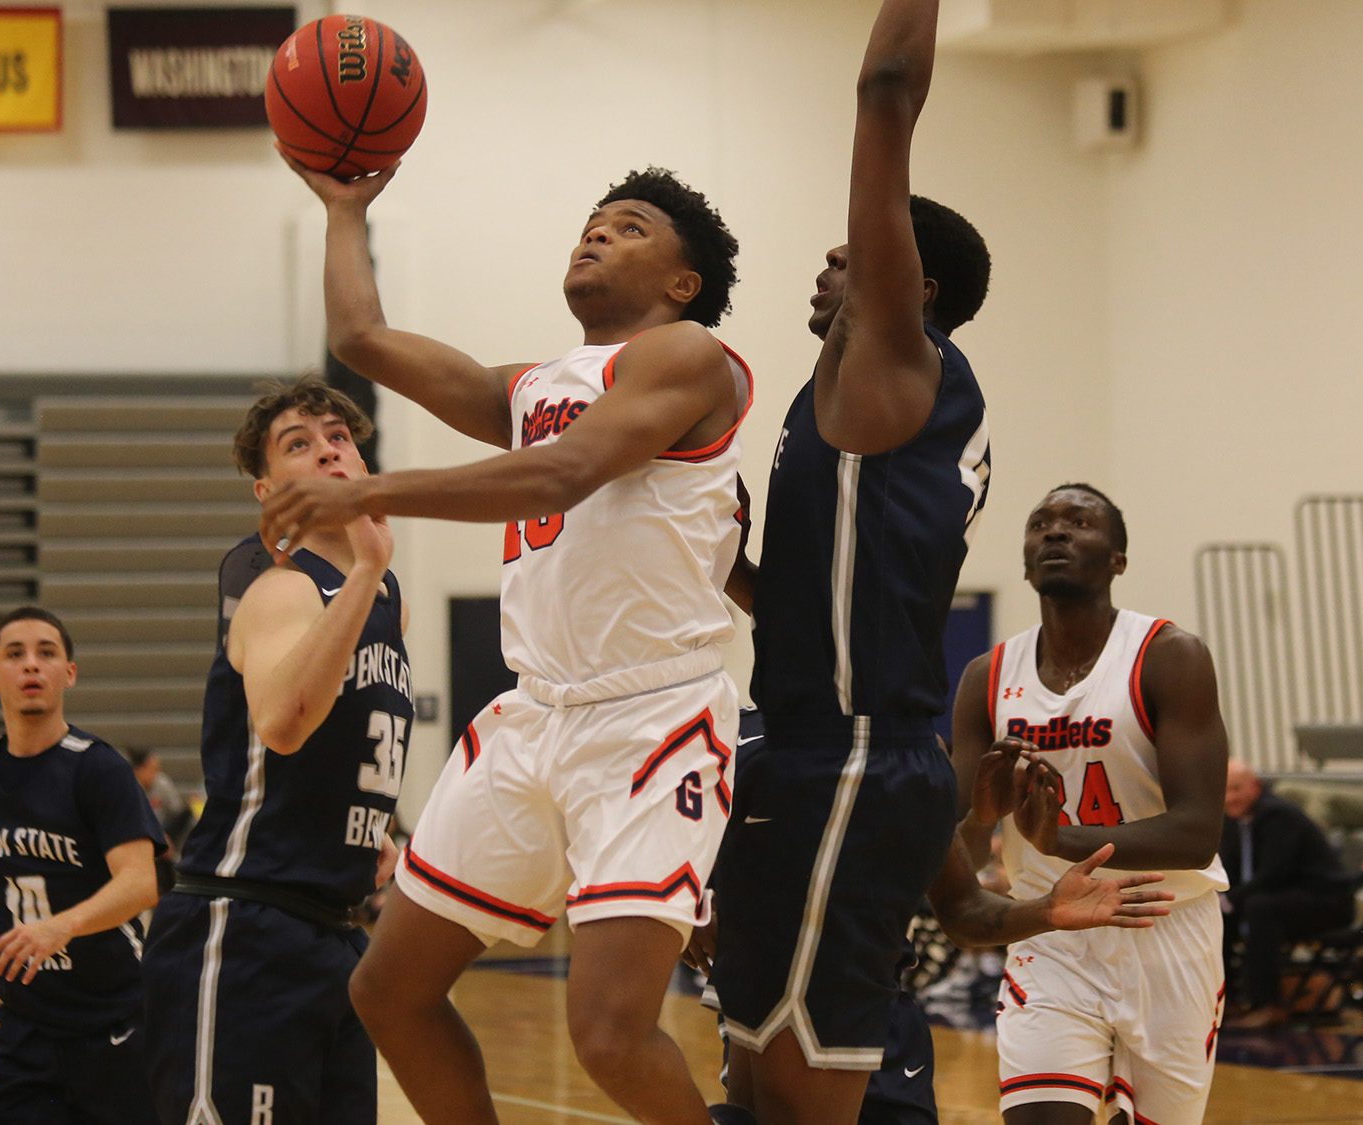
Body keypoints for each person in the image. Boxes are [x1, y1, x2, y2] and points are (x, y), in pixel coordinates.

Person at [265, 143, 750, 1122]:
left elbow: (559, 475)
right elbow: (361, 336)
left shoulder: (686, 356)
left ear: (680, 282)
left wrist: (370, 489)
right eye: (592, 218)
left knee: (608, 1035)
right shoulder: (533, 386)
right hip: (533, 715)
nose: (597, 230)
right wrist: (344, 211)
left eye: (630, 226)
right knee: (386, 991)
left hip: (650, 718)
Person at [705, 3, 998, 1123]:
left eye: (852, 257)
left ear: (907, 283)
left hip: (854, 758)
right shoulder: (840, 406)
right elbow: (800, 606)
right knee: (754, 1081)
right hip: (807, 743)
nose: (827, 269)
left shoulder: (899, 357)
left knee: (796, 1091)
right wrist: (724, 559)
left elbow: (884, 93)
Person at [693, 712, 1180, 1125]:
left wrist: (1046, 910)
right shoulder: (735, 732)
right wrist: (685, 904)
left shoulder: (913, 747)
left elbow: (961, 907)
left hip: (881, 1020)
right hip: (769, 1021)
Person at [142, 382, 409, 1125]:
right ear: (269, 494)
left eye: (338, 435)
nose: (328, 446)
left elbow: (338, 743)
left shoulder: (387, 601)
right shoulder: (281, 590)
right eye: (299, 442)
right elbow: (286, 723)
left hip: (333, 935)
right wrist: (361, 570)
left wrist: (367, 826)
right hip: (243, 927)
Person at [948, 485, 1228, 1124]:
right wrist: (983, 820)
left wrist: (1059, 841)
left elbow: (1196, 834)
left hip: (1167, 925)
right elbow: (956, 853)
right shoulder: (984, 678)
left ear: (1118, 559)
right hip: (1052, 931)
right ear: (1024, 562)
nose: (1055, 533)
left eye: (1078, 522)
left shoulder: (1168, 656)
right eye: (1040, 524)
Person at [0, 607, 166, 1125]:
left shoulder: (99, 768)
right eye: (15, 654)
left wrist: (58, 928)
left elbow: (142, 882)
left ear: (69, 673)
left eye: (47, 653)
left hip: (115, 1020)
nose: (31, 666)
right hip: (27, 1026)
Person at [1217, 761, 1354, 1031]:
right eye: (1224, 790)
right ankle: (1228, 999)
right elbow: (1229, 871)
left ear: (1255, 787)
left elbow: (1274, 873)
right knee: (1219, 913)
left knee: (1258, 908)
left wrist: (1232, 898)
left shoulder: (1277, 815)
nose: (1230, 797)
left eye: (1236, 789)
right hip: (1282, 899)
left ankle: (1268, 1005)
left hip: (1326, 901)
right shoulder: (1233, 821)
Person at [126, 746, 195, 855]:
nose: (156, 774)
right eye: (153, 769)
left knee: (187, 814)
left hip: (162, 829)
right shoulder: (127, 787)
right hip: (136, 834)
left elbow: (178, 812)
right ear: (138, 769)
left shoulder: (161, 783)